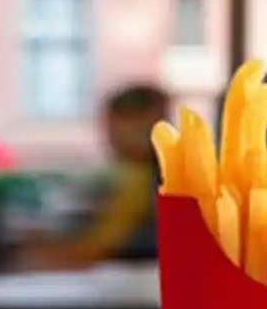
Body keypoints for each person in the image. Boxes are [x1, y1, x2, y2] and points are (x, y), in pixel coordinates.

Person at [22, 84, 169, 270]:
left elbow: (101, 247)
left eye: (122, 126)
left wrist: (47, 256)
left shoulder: (145, 179)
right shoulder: (134, 174)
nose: (111, 136)